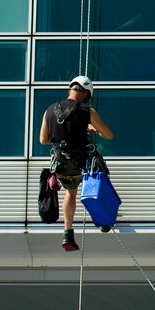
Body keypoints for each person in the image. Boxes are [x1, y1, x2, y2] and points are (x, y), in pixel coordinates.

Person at [38, 76, 114, 251]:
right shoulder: (87, 111)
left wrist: (63, 139)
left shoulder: (49, 110)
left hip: (61, 165)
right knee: (101, 178)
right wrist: (93, 129)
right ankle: (103, 220)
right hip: (81, 163)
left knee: (70, 193)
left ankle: (68, 232)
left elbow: (43, 139)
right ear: (85, 93)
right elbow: (109, 135)